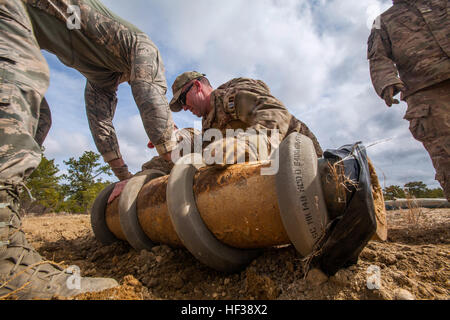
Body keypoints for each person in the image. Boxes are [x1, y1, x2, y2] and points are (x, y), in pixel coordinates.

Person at [0, 0, 176, 299]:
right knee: (21, 78)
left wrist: (124, 177)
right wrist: (171, 160)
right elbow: (149, 97)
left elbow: (101, 124)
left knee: (38, 118)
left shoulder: (101, 76)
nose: (124, 82)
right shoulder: (141, 45)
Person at [367, 0, 449, 200]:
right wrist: (386, 81)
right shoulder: (381, 21)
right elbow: (378, 55)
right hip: (426, 94)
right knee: (445, 152)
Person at [168, 71, 323, 164]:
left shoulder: (231, 96)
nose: (185, 108)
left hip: (305, 159)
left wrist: (246, 145)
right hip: (273, 174)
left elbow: (275, 114)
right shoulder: (209, 124)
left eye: (183, 100)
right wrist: (174, 138)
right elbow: (201, 150)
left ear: (197, 86)